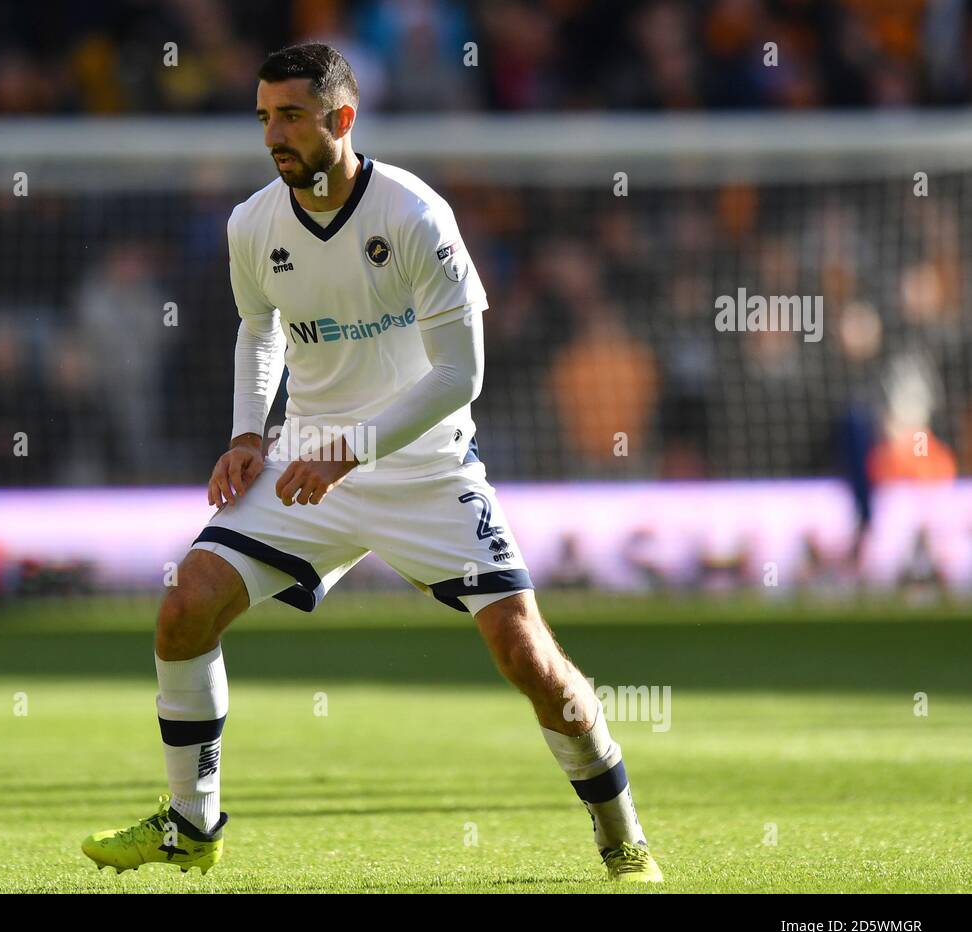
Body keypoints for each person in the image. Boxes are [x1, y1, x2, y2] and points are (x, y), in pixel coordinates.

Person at [82, 42, 662, 883]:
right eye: (264, 117)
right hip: (305, 465)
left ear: (343, 118)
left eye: (291, 116)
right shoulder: (252, 224)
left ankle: (621, 835)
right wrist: (248, 436)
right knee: (185, 606)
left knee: (529, 660)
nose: (273, 135)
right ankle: (192, 824)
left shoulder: (415, 214)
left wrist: (350, 450)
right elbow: (259, 330)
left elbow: (461, 376)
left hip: (426, 471)